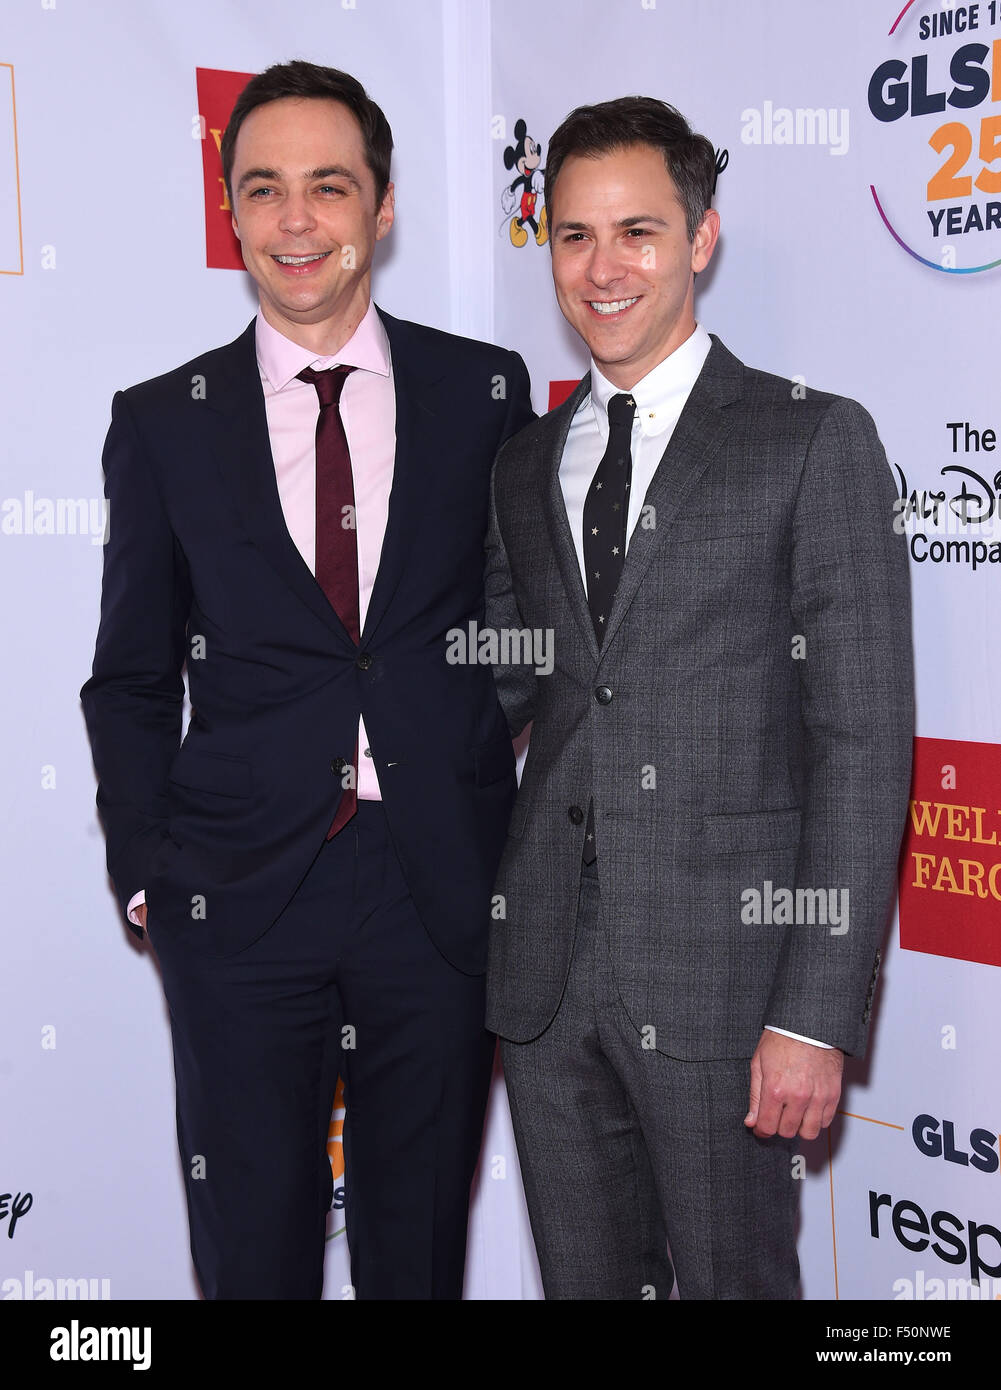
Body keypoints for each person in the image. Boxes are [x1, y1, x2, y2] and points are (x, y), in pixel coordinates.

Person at [80, 59, 533, 1300]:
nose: (296, 222)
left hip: (434, 891)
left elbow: (525, 632)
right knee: (253, 1255)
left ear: (381, 207)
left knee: (416, 1253)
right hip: (234, 894)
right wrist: (148, 877)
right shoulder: (163, 420)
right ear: (230, 212)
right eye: (263, 190)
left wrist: (460, 768)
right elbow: (127, 676)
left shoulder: (484, 393)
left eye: (327, 188)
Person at [484, 96, 913, 1300]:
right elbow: (511, 675)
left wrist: (816, 1014)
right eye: (572, 236)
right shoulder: (527, 458)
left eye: (637, 232)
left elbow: (862, 740)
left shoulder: (808, 440)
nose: (602, 267)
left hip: (731, 988)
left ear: (700, 239)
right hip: (545, 986)